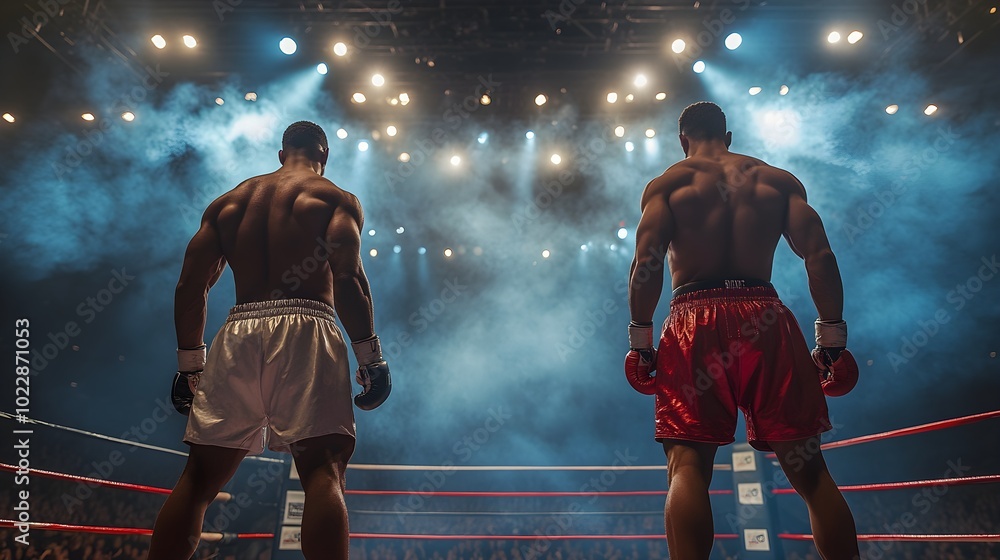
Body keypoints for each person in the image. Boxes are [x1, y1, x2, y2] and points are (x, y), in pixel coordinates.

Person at [623, 102, 859, 559]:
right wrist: (832, 339)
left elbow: (645, 264)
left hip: (695, 318)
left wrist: (641, 343)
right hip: (766, 317)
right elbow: (821, 257)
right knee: (811, 472)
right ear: (728, 137)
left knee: (687, 465)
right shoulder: (776, 180)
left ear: (682, 140)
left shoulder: (668, 185)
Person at [148, 121, 392, 560]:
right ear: (325, 154)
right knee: (322, 469)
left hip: (237, 330)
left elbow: (189, 287)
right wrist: (370, 358)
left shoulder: (229, 203)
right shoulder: (334, 198)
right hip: (307, 325)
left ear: (282, 153)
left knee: (199, 478)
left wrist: (189, 365)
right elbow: (348, 277)